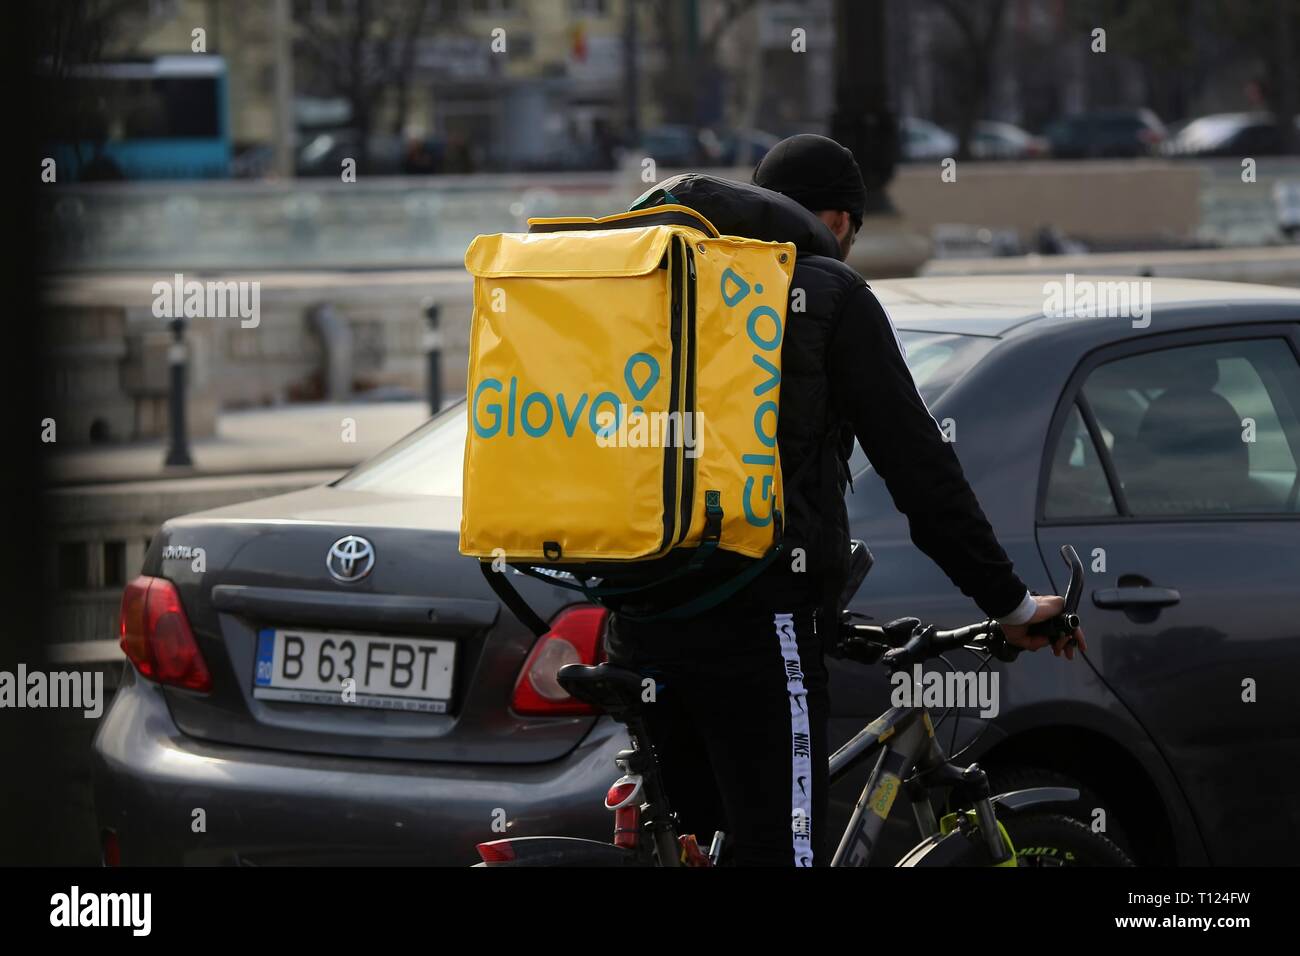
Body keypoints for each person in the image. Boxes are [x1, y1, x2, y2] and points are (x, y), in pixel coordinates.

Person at [603, 134, 1087, 867]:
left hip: (636, 618)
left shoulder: (664, 284)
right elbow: (918, 469)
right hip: (758, 628)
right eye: (852, 234)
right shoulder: (828, 296)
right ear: (837, 221)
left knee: (695, 846)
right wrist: (1010, 604)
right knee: (782, 850)